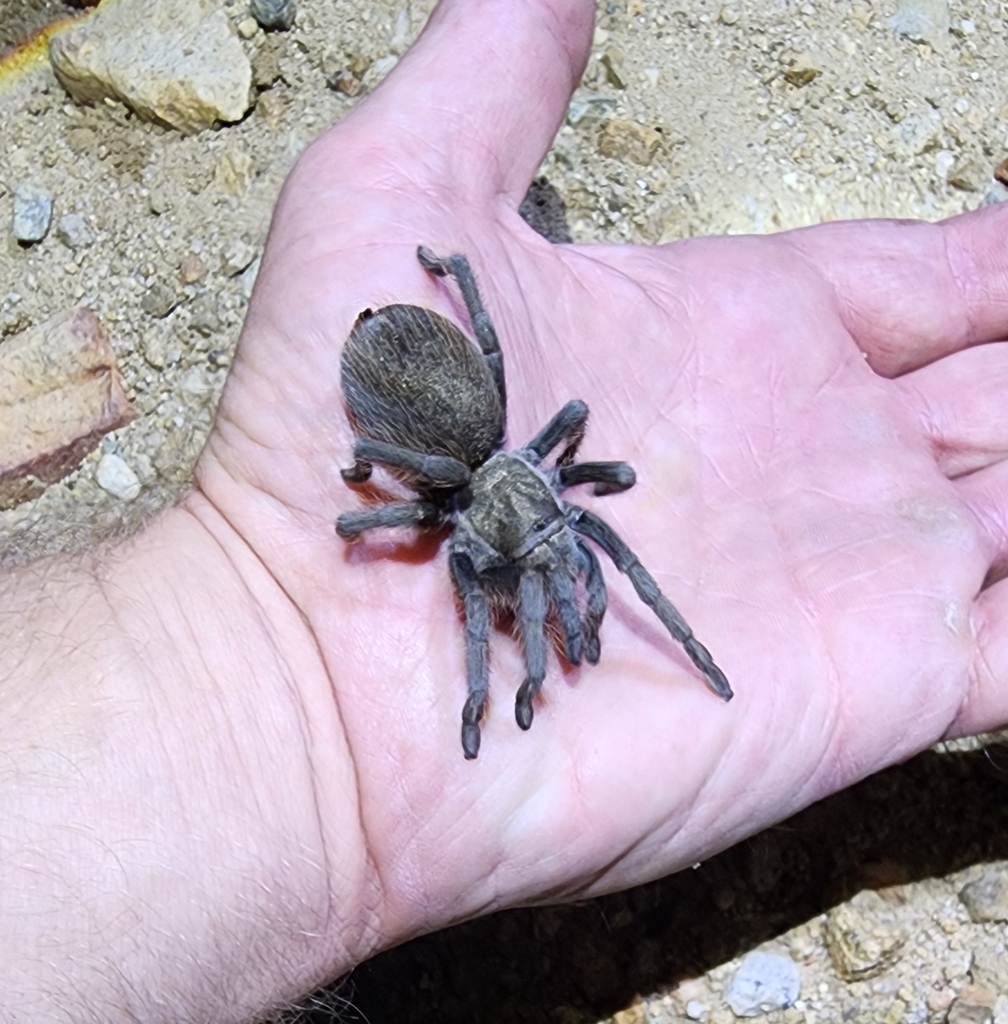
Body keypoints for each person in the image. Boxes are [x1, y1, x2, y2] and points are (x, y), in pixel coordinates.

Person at [4, 0, 1008, 1018]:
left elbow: (573, 509)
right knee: (523, 574)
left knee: (586, 530)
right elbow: (386, 522)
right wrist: (479, 683)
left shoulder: (554, 484)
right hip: (420, 402)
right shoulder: (451, 512)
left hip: (479, 444)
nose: (560, 568)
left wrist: (676, 638)